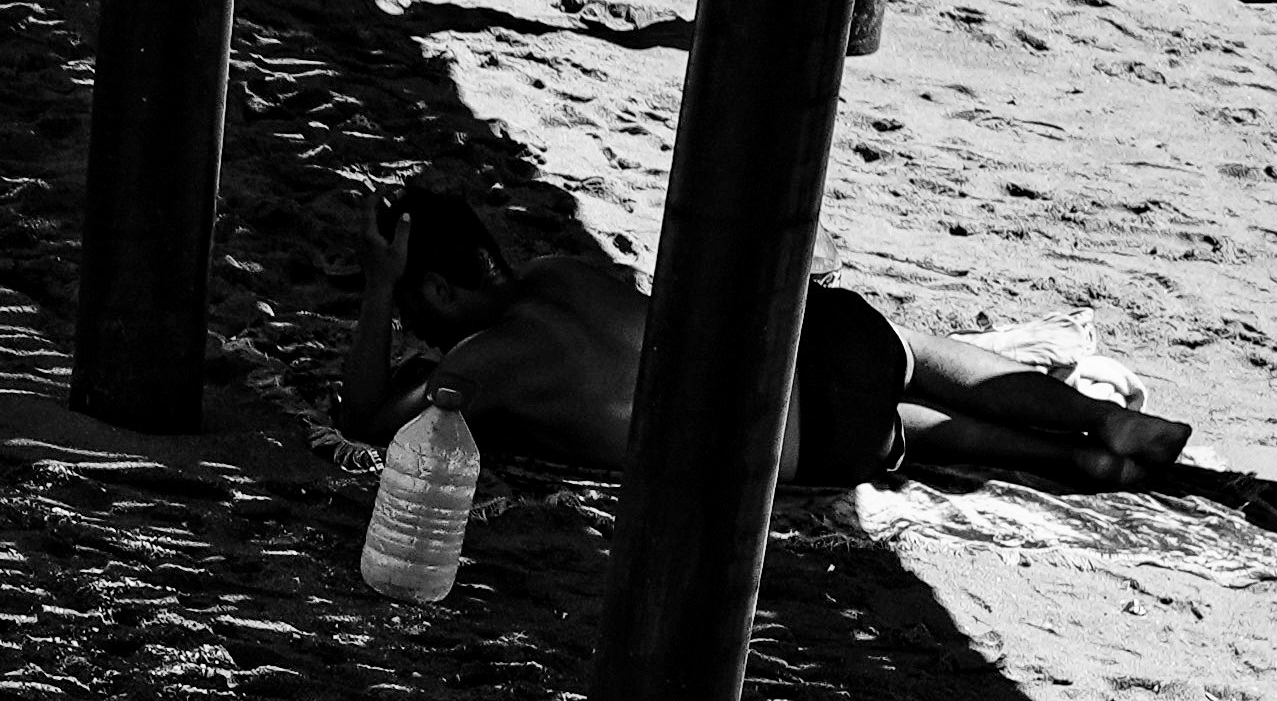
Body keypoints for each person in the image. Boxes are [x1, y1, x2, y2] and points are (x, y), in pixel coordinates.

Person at [345, 184, 1185, 492]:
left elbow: (368, 421)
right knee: (911, 355)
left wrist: (381, 291)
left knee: (888, 431)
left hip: (801, 443)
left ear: (446, 289)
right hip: (824, 342)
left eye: (418, 306)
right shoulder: (564, 271)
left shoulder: (479, 364)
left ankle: (1074, 462)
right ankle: (1092, 422)